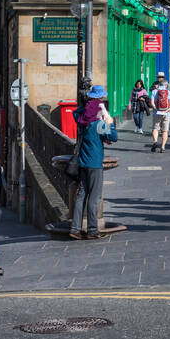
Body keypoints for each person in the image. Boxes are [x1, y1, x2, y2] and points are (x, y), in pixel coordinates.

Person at [70, 84, 118, 240]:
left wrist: (87, 107)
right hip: (95, 162)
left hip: (83, 161)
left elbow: (76, 113)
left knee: (81, 195)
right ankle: (92, 229)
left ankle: (75, 228)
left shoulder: (82, 118)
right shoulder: (98, 123)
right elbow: (113, 137)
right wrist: (109, 120)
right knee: (94, 197)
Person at [149, 71, 170, 153]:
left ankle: (155, 142)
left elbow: (152, 103)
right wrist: (167, 110)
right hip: (166, 113)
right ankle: (163, 146)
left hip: (156, 113)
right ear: (166, 85)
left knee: (155, 128)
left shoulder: (154, 92)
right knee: (165, 130)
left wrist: (156, 109)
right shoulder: (169, 93)